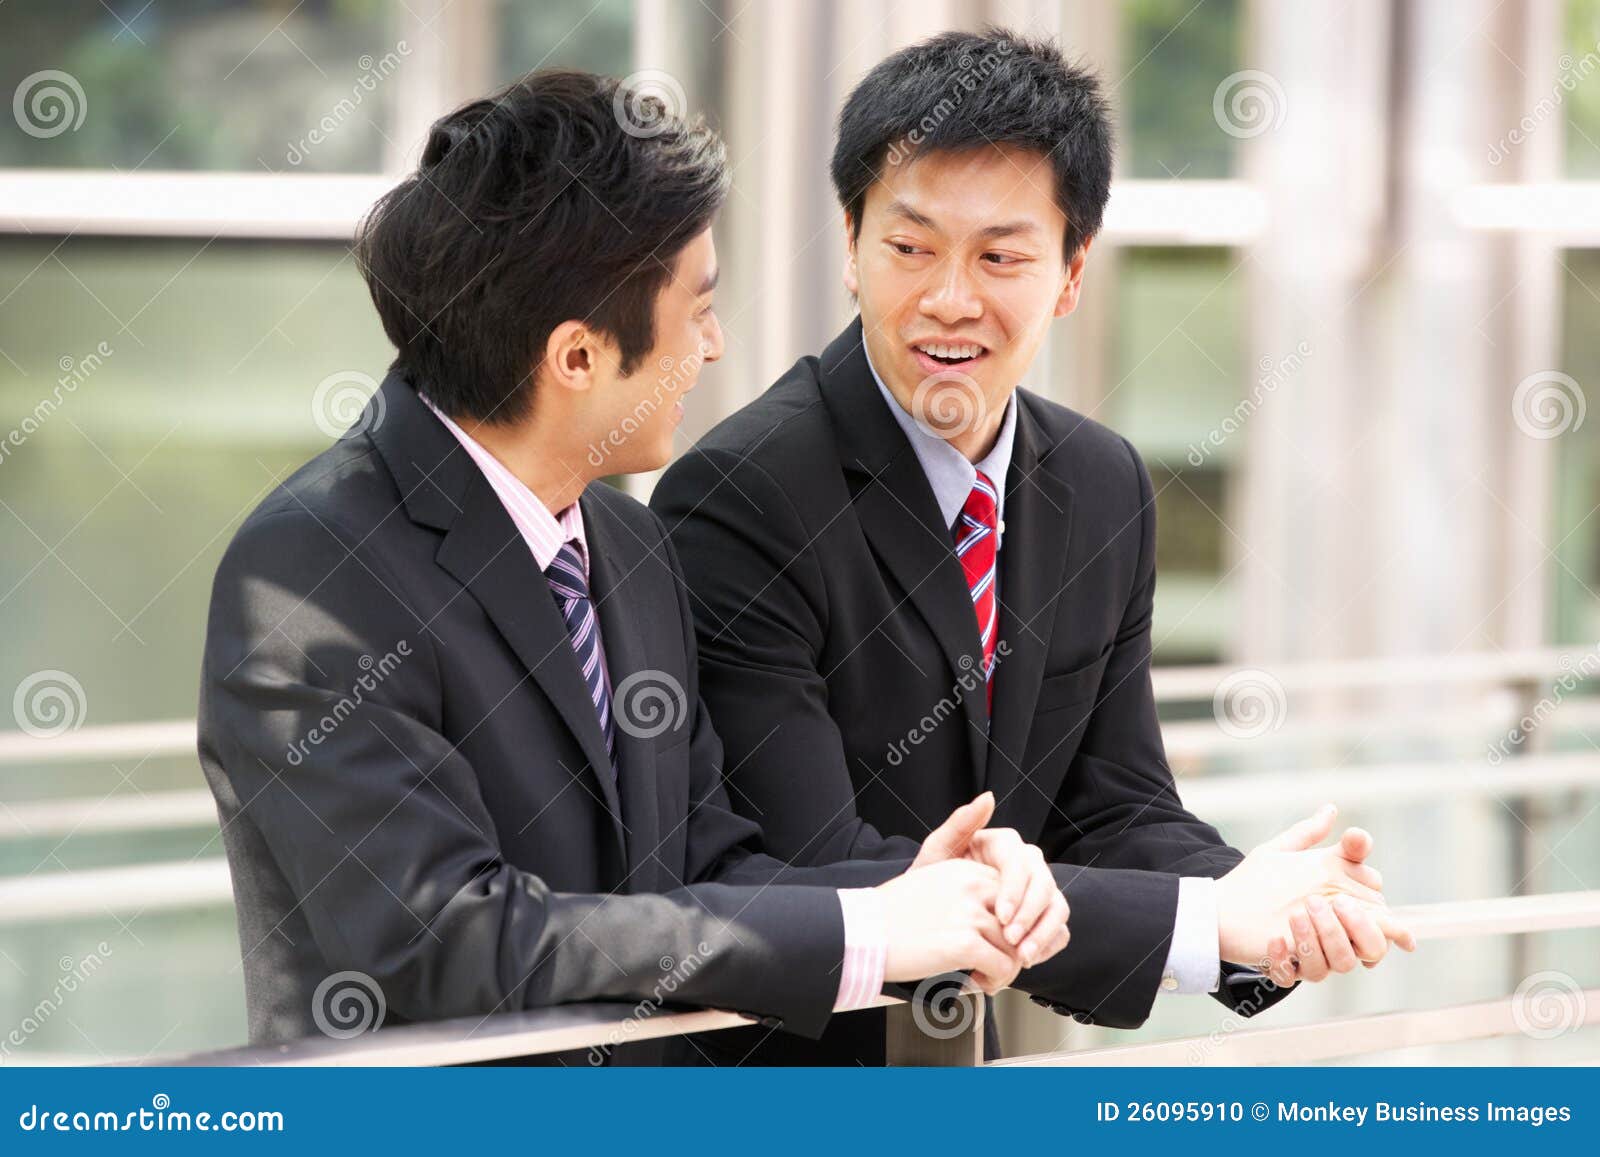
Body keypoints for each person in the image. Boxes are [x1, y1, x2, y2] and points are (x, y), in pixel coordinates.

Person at [196, 68, 1068, 1066]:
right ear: (575, 359)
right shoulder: (310, 574)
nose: (714, 345)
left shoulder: (627, 540)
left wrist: (915, 890)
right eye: (695, 310)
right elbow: (442, 943)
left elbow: (701, 858)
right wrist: (864, 935)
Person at [651, 28, 1416, 1065]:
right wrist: (1203, 923)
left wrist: (1255, 906)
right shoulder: (744, 493)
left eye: (1001, 255)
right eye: (909, 246)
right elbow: (818, 862)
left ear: (1069, 271)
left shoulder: (1101, 484)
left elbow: (1116, 803)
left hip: (972, 1059)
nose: (951, 298)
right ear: (849, 243)